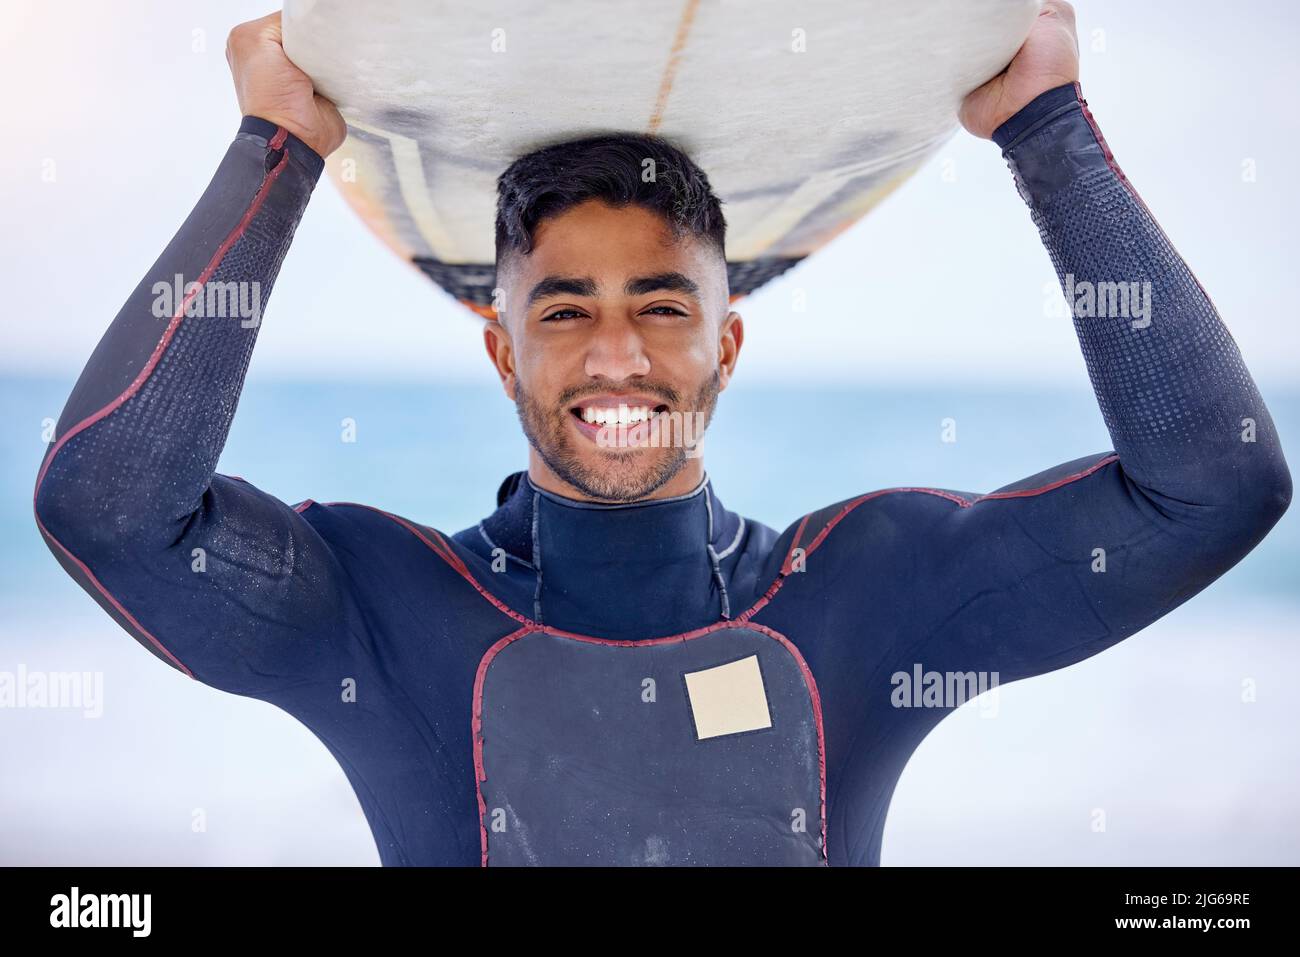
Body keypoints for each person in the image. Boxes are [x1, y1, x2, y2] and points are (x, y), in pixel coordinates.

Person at [33, 3, 1290, 866]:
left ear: (726, 346)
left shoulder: (867, 594)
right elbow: (109, 508)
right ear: (502, 353)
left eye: (662, 305)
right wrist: (279, 149)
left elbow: (1215, 484)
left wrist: (1048, 130)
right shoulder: (381, 609)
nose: (616, 355)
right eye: (563, 310)